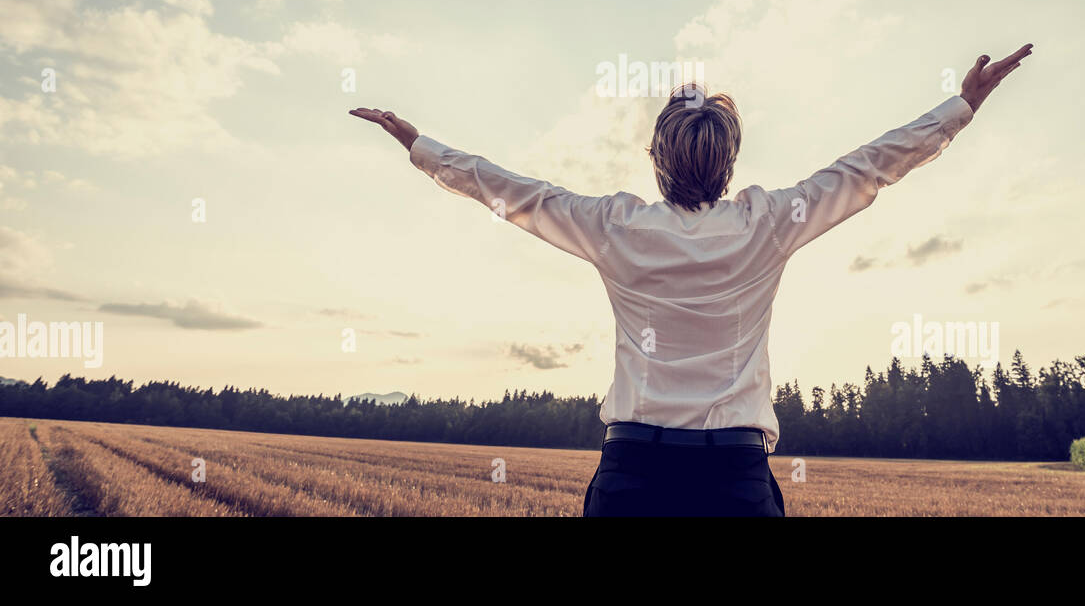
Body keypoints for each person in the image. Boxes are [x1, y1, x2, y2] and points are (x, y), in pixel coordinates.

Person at [350, 44, 1032, 516]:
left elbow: (512, 192)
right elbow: (867, 168)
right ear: (729, 162)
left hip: (634, 480)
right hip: (732, 485)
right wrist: (960, 107)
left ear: (657, 159)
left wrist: (420, 145)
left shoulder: (615, 226)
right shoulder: (767, 222)